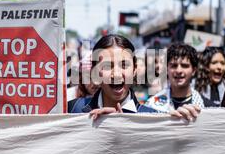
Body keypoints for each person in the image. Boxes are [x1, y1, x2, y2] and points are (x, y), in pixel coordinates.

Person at [69, 34, 201, 122]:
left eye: (124, 65)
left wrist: (182, 125)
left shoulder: (153, 118)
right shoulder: (73, 109)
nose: (117, 74)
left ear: (135, 69)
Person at [146, 43, 205, 113]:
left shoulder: (207, 106)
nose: (179, 70)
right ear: (167, 69)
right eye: (174, 66)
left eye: (184, 66)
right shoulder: (152, 105)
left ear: (194, 71)